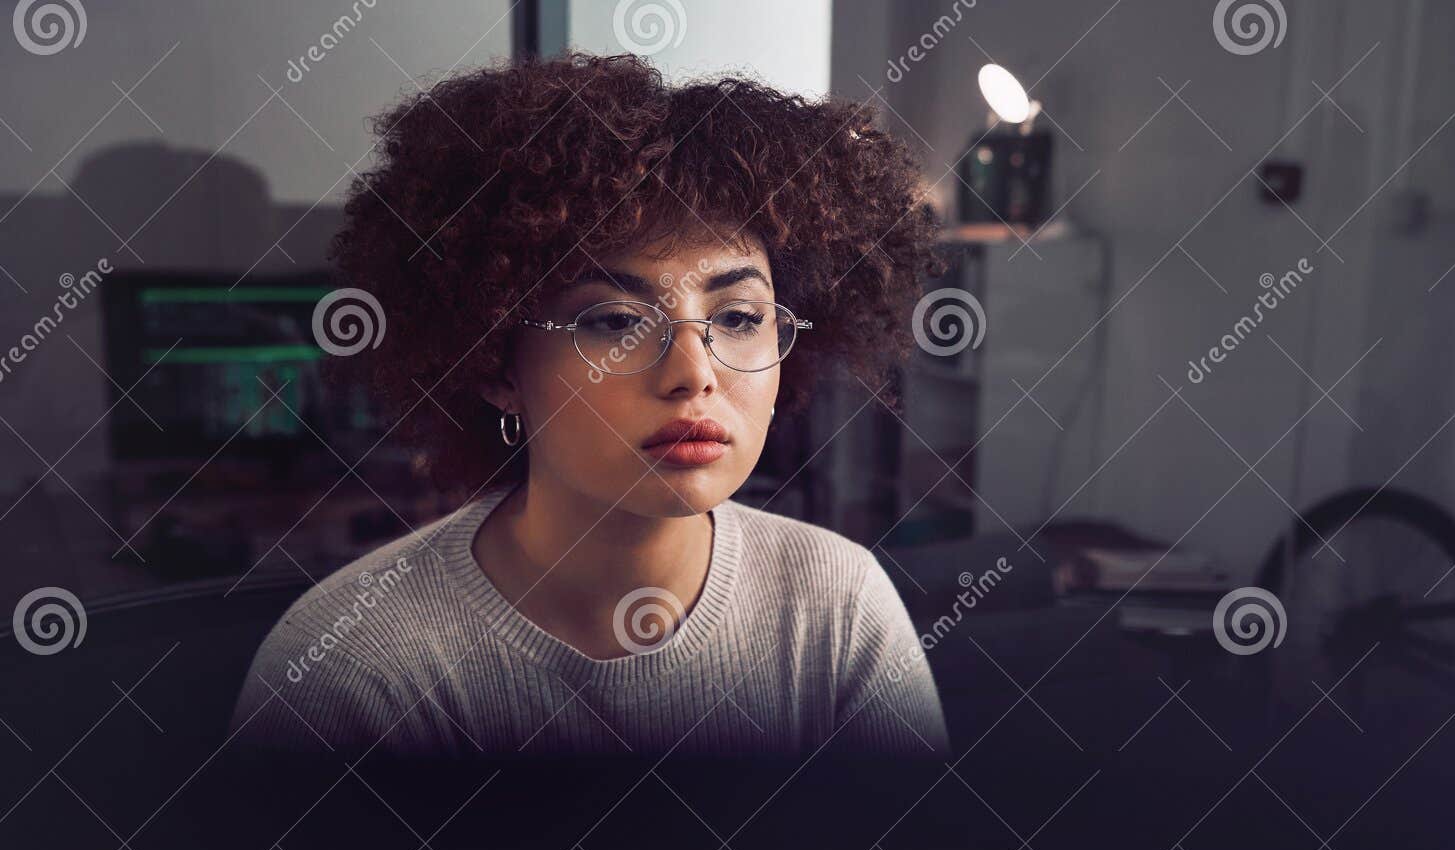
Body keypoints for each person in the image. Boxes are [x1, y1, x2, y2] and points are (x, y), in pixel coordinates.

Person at [227, 52, 950, 758]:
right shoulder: (349, 669)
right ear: (495, 366)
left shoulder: (838, 607)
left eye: (737, 317)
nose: (692, 375)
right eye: (613, 321)